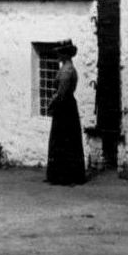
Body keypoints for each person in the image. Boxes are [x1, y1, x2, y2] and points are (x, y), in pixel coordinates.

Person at [44, 41, 86, 185]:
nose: (57, 55)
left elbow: (61, 93)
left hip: (64, 107)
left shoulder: (67, 71)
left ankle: (65, 177)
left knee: (63, 140)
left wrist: (50, 105)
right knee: (63, 139)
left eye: (59, 53)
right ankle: (60, 175)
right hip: (66, 106)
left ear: (65, 54)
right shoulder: (66, 68)